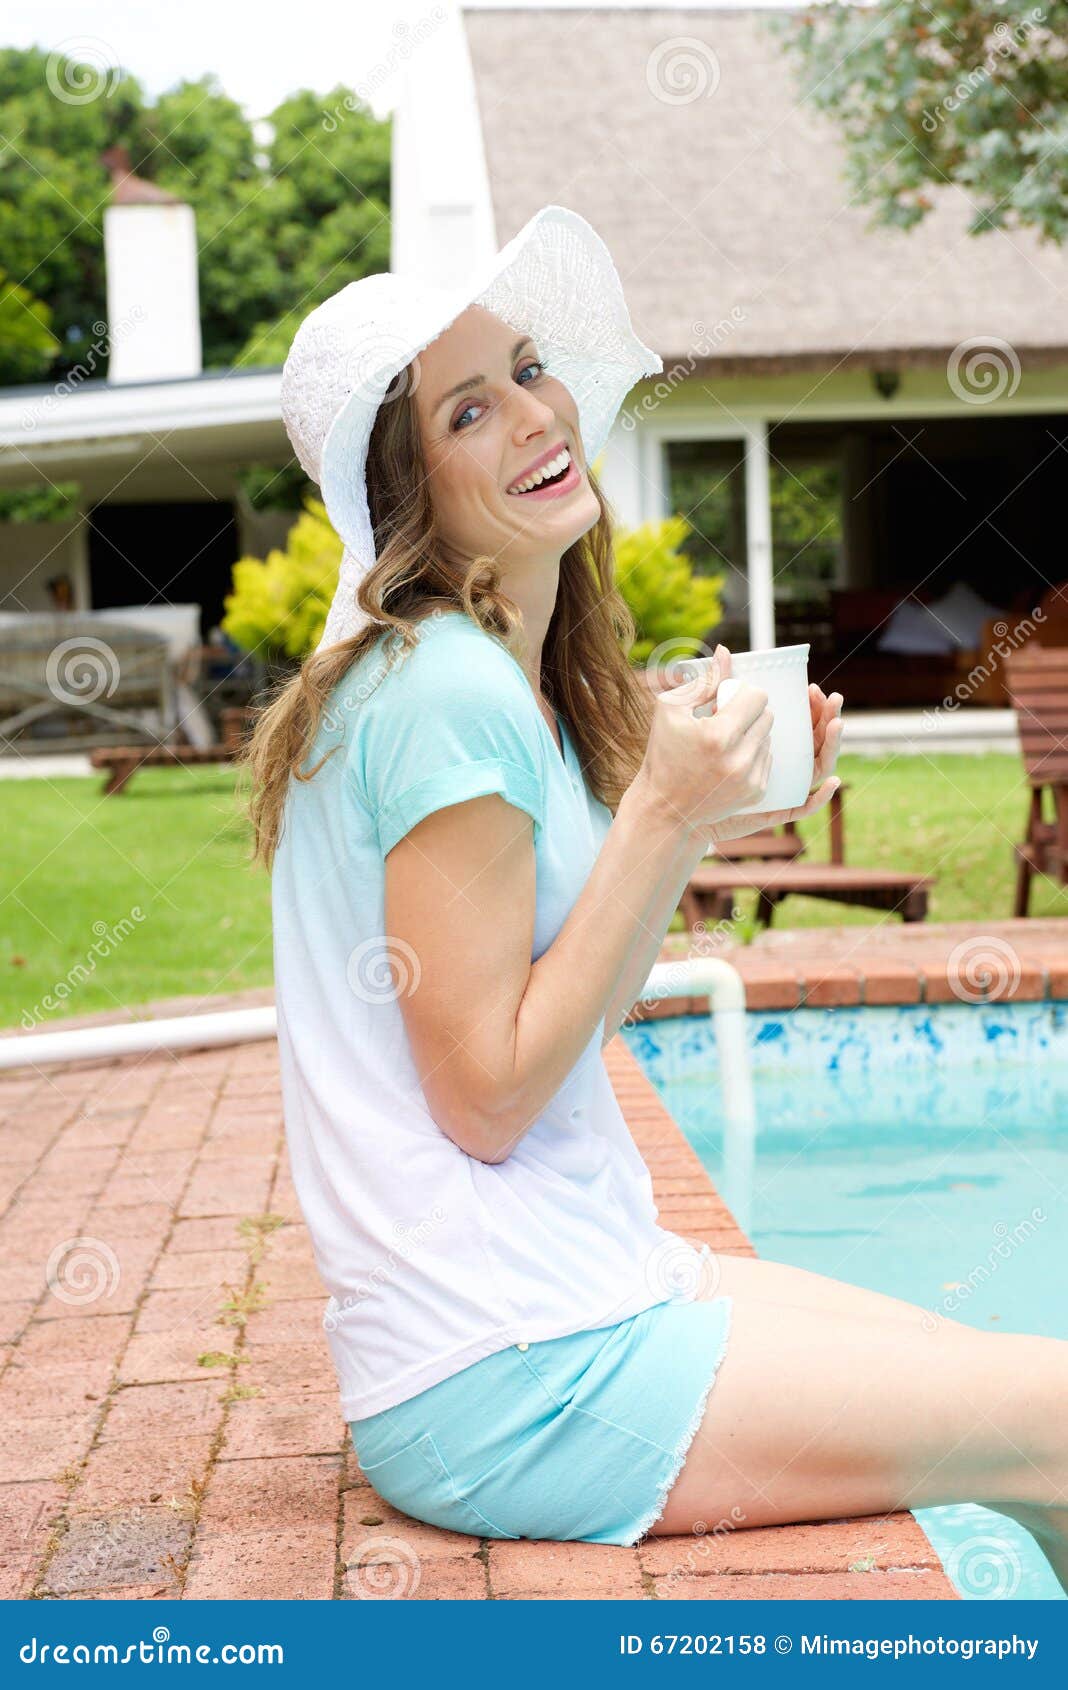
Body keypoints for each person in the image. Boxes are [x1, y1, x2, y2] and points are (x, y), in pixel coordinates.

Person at [244, 206, 1068, 1580]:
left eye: (524, 365)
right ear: (410, 494)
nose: (531, 413)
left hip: (567, 1299)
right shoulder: (442, 689)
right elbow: (490, 1094)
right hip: (514, 1373)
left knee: (1019, 1389)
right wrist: (668, 815)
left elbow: (561, 990)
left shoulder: (483, 672)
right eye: (466, 411)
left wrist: (702, 817)